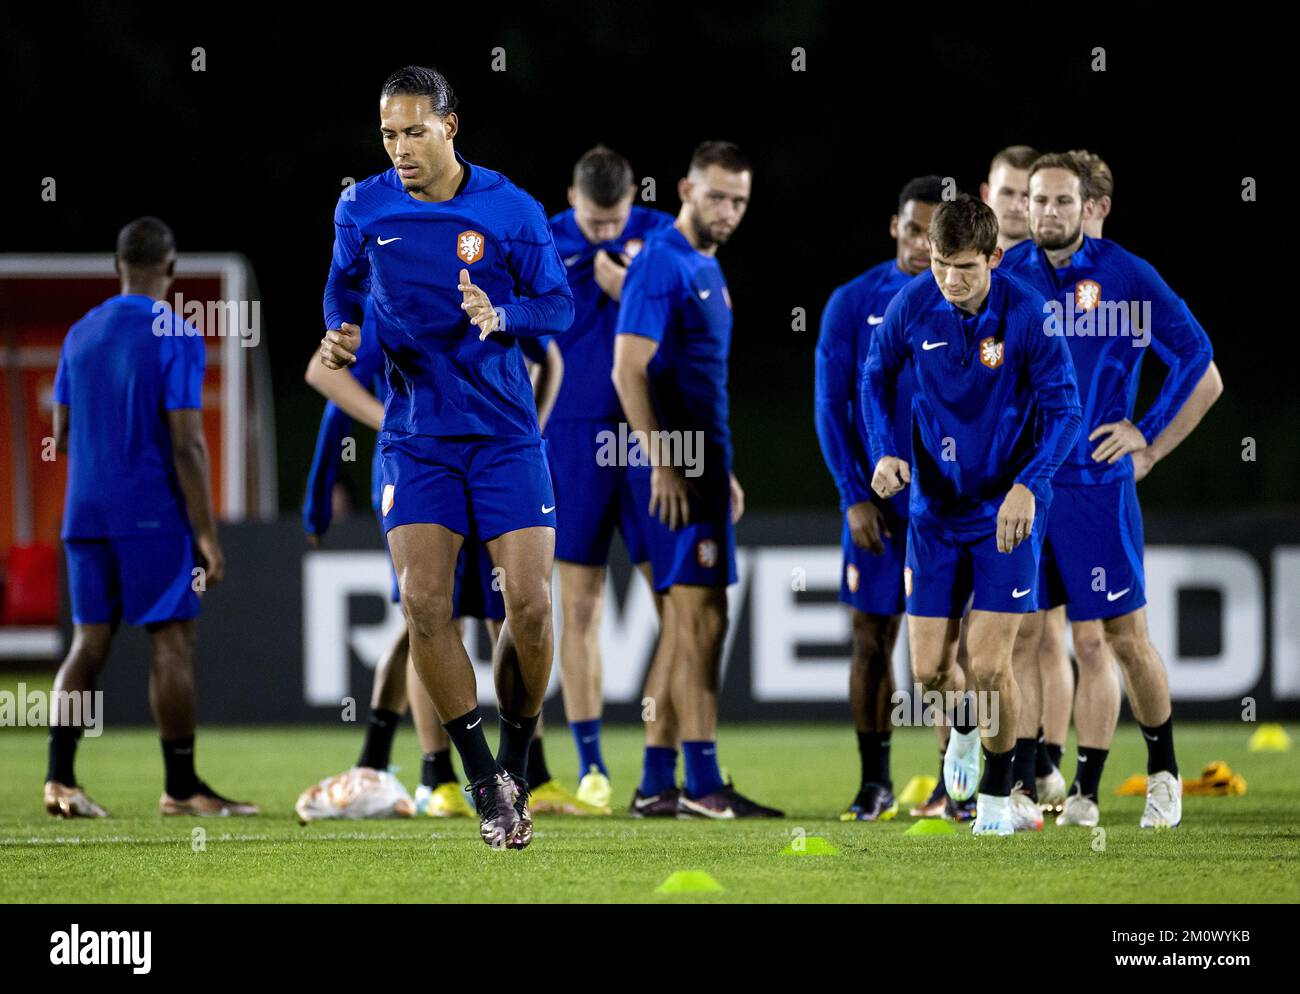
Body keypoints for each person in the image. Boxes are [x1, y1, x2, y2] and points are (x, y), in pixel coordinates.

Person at [318, 66, 574, 849]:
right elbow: (339, 287)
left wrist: (502, 314)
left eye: (414, 132)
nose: (400, 148)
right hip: (415, 437)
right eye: (389, 134)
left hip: (503, 433)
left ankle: (517, 763)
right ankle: (482, 783)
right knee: (424, 604)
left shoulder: (510, 208)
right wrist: (340, 331)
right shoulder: (362, 205)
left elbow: (557, 306)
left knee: (527, 606)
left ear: (450, 127)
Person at [1002, 152, 1219, 829]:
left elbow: (1198, 359)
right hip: (1030, 488)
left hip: (1097, 487)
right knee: (1016, 638)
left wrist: (1148, 438)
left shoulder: (1127, 274)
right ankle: (1026, 782)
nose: (1048, 213)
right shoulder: (1010, 274)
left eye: (1063, 201)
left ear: (1092, 209)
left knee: (1124, 640)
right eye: (1038, 201)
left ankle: (1163, 773)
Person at [862, 195, 1082, 836]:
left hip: (1005, 513)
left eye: (963, 267)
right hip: (934, 512)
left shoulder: (1028, 314)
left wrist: (1029, 487)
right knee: (931, 670)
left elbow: (1067, 413)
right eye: (938, 264)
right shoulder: (913, 303)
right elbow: (874, 376)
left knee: (988, 665)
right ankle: (962, 730)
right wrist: (883, 450)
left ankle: (994, 796)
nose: (949, 280)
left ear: (993, 257)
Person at [45, 216, 258, 818]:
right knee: (172, 645)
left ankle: (60, 780)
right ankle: (182, 788)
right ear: (169, 269)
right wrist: (207, 535)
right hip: (151, 516)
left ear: (118, 266)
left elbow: (59, 434)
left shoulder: (80, 334)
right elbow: (187, 443)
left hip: (84, 512)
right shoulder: (176, 331)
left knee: (88, 643)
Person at [613, 141, 781, 818]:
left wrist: (723, 472)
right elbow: (628, 370)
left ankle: (658, 784)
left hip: (701, 467)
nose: (729, 211)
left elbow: (699, 380)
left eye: (739, 200)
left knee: (689, 624)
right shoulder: (664, 262)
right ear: (685, 188)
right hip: (673, 472)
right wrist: (665, 461)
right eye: (717, 196)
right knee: (700, 621)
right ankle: (703, 783)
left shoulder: (703, 264)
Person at [546, 146, 674, 813]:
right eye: (593, 221)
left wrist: (632, 285)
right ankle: (592, 766)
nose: (602, 232)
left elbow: (696, 316)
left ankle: (665, 760)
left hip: (650, 436)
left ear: (632, 201)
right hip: (571, 437)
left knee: (675, 605)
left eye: (613, 219)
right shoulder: (541, 238)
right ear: (573, 199)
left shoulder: (660, 235)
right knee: (582, 606)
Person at [814, 175, 946, 821]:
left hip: (950, 507)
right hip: (878, 504)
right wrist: (851, 495)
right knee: (871, 639)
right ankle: (876, 785)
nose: (925, 242)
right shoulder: (852, 301)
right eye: (915, 228)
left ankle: (960, 783)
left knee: (955, 648)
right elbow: (829, 405)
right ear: (895, 226)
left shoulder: (967, 300)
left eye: (937, 230)